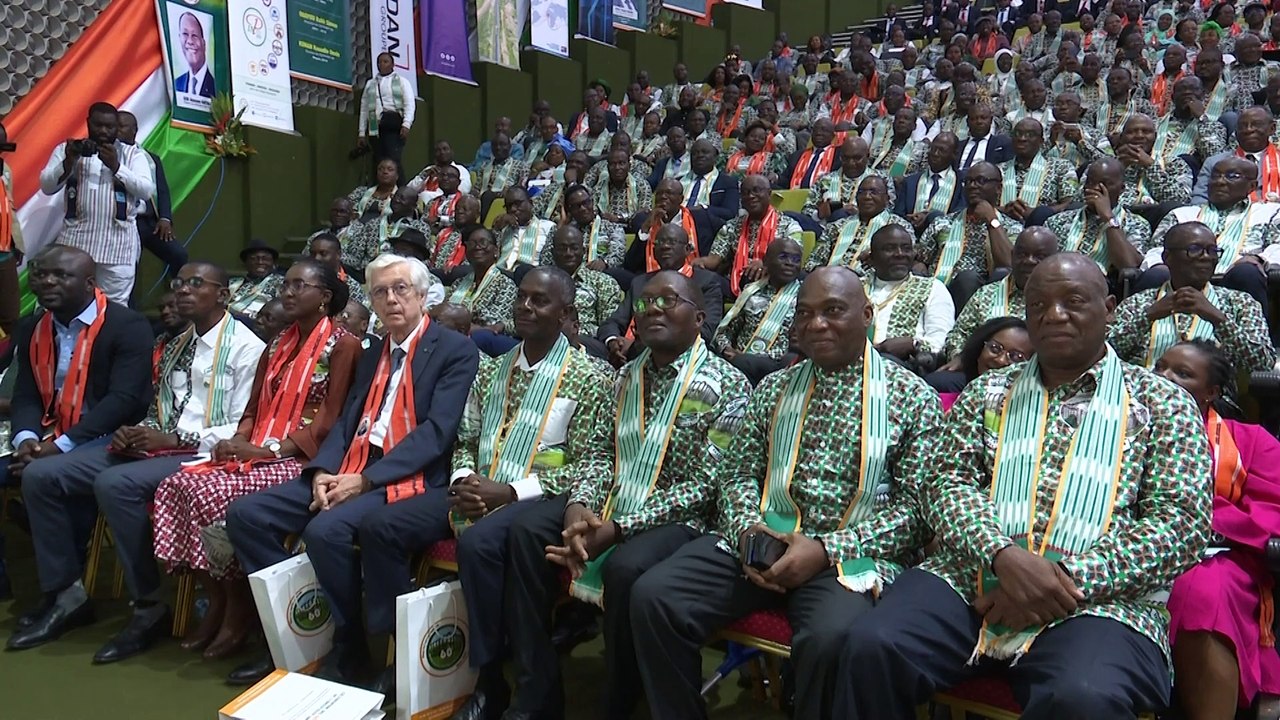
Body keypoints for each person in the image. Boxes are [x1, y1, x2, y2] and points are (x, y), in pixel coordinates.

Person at [837, 252, 1213, 719]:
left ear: (1110, 308)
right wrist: (1004, 558)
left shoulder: (1164, 403)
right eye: (1038, 305)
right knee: (871, 646)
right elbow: (945, 484)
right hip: (971, 573)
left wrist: (1063, 582)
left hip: (1103, 599)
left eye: (1073, 300)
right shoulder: (987, 391)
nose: (1053, 314)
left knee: (1083, 696)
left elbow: (1181, 524)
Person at [633, 265, 940, 719]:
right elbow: (736, 476)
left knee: (832, 640)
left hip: (847, 553)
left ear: (867, 313)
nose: (816, 324)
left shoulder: (912, 396)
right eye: (805, 314)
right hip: (762, 541)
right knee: (654, 596)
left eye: (833, 310)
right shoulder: (774, 388)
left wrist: (824, 549)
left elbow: (917, 511)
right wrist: (747, 532)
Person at [505, 270, 750, 720]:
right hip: (614, 500)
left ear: (699, 318)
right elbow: (601, 450)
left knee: (627, 567)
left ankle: (621, 698)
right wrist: (579, 503)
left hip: (683, 515)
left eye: (667, 301)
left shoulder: (728, 385)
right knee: (525, 531)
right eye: (643, 303)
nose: (651, 309)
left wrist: (618, 528)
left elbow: (707, 485)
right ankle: (536, 689)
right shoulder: (626, 377)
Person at [224, 253, 478, 687]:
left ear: (422, 295)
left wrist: (365, 481)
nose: (391, 299)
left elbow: (436, 433)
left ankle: (349, 640)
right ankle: (305, 626)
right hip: (350, 465)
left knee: (326, 531)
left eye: (401, 289)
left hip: (406, 476)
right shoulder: (373, 350)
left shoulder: (454, 350)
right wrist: (323, 471)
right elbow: (346, 421)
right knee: (246, 515)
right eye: (380, 292)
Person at [9, 260, 264, 661]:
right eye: (180, 283)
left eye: (196, 284)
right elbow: (157, 405)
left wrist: (173, 437)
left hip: (203, 454)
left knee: (116, 485)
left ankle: (149, 606)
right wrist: (136, 430)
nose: (182, 290)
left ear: (223, 294)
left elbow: (244, 425)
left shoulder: (248, 347)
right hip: (157, 445)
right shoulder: (177, 343)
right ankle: (66, 595)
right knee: (42, 475)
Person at [410, 267, 613, 709]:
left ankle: (490, 679)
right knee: (393, 523)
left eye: (539, 301)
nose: (525, 307)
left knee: (481, 545)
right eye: (521, 297)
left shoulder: (592, 377)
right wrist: (465, 479)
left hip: (543, 496)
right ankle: (481, 674)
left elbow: (593, 462)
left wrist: (510, 492)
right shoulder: (492, 371)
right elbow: (465, 438)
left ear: (566, 314)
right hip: (482, 489)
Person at [152, 260, 359, 665]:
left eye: (301, 286)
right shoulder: (278, 342)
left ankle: (241, 605)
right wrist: (239, 439)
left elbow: (331, 421)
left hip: (298, 457)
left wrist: (269, 451)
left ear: (325, 298)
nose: (288, 291)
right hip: (259, 448)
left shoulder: (344, 344)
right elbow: (253, 408)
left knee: (214, 493)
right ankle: (219, 597)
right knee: (176, 484)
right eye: (286, 284)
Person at [4, 245, 152, 633]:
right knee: (28, 468)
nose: (46, 282)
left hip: (110, 434)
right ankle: (31, 583)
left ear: (89, 283)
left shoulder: (127, 325)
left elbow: (123, 401)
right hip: (49, 433)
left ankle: (64, 594)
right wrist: (25, 439)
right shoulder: (33, 326)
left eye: (60, 275)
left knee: (42, 475)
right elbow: (26, 395)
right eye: (40, 274)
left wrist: (58, 446)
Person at [1158, 340, 1280, 720]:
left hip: (1219, 557)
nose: (1164, 378)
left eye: (1182, 374)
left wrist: (1195, 516)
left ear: (1211, 392)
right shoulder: (1121, 429)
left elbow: (1271, 511)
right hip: (1135, 551)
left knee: (1200, 589)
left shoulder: (1250, 440)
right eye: (1160, 367)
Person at [1109, 221, 1275, 374]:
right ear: (1167, 257)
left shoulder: (1241, 302)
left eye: (1212, 251)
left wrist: (1217, 318)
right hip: (1142, 395)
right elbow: (1105, 352)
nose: (1206, 257)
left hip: (1211, 400)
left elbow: (1263, 363)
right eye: (1195, 249)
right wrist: (1148, 317)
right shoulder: (1138, 303)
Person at [38, 102, 155, 304]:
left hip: (117, 247)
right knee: (66, 302)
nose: (103, 131)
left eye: (109, 127)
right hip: (75, 243)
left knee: (113, 309)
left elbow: (146, 191)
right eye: (97, 125)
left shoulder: (133, 154)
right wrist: (68, 163)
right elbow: (47, 186)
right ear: (88, 123)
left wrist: (117, 167)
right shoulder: (68, 149)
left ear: (117, 127)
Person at [1145, 155, 1280, 311]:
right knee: (1155, 275)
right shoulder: (1182, 214)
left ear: (1252, 186)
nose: (1220, 181)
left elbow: (1277, 246)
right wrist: (1159, 266)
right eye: (1215, 176)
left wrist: (1258, 258)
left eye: (1232, 176)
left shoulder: (1270, 213)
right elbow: (1155, 250)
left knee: (1247, 272)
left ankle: (1254, 332)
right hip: (1182, 280)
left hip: (1238, 278)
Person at [601, 224, 724, 367]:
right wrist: (614, 342)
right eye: (659, 242)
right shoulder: (640, 282)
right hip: (623, 353)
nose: (665, 246)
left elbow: (705, 331)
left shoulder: (705, 281)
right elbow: (613, 322)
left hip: (676, 355)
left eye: (672, 242)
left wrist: (639, 344)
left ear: (687, 249)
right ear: (653, 251)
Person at [942, 227, 1058, 364]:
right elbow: (959, 334)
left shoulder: (1059, 305)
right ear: (1012, 255)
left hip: (1031, 378)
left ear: (1054, 261)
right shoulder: (986, 294)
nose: (1029, 261)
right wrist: (961, 357)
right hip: (979, 372)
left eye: (1039, 256)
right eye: (1022, 254)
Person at [919, 162, 1021, 311]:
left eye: (981, 181)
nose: (973, 186)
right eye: (968, 181)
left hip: (982, 301)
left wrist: (992, 221)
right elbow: (920, 259)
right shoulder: (943, 223)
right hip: (937, 292)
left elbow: (1009, 265)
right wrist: (920, 267)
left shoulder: (1011, 228)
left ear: (998, 188)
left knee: (968, 279)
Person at [712, 236, 803, 385]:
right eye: (783, 257)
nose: (790, 263)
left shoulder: (805, 296)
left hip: (776, 369)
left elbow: (797, 348)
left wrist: (749, 360)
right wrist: (726, 349)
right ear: (766, 261)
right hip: (736, 363)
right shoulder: (751, 291)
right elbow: (727, 330)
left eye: (796, 259)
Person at [864, 225, 956, 362]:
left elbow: (941, 341)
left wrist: (914, 345)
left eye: (906, 248)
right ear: (871, 258)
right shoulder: (854, 288)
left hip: (902, 366)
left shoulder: (932, 287)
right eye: (889, 249)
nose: (900, 254)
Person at [702, 175, 802, 298]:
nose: (750, 196)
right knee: (704, 278)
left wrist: (766, 264)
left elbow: (792, 259)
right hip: (736, 282)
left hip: (770, 281)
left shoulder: (789, 225)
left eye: (756, 190)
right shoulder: (731, 226)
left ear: (769, 193)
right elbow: (714, 259)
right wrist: (700, 263)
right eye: (745, 193)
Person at [1044, 157, 1149, 272]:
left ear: (1121, 189)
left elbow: (1129, 265)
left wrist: (1108, 219)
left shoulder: (1136, 224)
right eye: (1090, 182)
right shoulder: (1058, 221)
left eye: (1104, 184)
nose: (1095, 188)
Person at [117, 111, 185, 284]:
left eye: (121, 126)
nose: (116, 131)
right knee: (129, 269)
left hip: (150, 222)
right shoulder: (110, 158)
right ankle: (129, 310)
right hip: (124, 221)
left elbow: (162, 190)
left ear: (134, 130)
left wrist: (165, 218)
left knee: (178, 254)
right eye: (114, 127)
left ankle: (177, 298)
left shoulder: (149, 158)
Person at [806, 175, 913, 273]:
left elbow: (906, 258)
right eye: (862, 192)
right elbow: (813, 261)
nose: (867, 196)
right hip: (830, 280)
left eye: (874, 192)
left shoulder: (900, 227)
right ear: (856, 198)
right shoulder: (837, 226)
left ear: (886, 199)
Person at [549, 225, 622, 353]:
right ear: (553, 252)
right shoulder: (541, 282)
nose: (568, 253)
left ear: (583, 251)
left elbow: (607, 327)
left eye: (574, 248)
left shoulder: (603, 282)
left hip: (587, 344)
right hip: (543, 339)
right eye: (562, 248)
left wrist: (571, 331)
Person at [448, 228, 520, 357]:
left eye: (483, 242)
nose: (477, 247)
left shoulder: (505, 284)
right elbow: (442, 312)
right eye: (472, 243)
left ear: (495, 251)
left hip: (486, 344)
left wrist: (451, 321)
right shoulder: (458, 283)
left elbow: (492, 324)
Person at [997, 118, 1081, 226]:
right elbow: (983, 206)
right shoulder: (998, 170)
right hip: (1001, 229)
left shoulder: (1061, 167)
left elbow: (1070, 204)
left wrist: (1038, 214)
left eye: (1030, 135)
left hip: (1044, 231)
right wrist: (1004, 210)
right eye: (1018, 134)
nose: (1022, 138)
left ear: (1041, 141)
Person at [940, 317, 1032, 410]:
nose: (1000, 360)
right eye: (995, 348)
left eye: (1016, 356)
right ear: (979, 349)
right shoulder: (941, 405)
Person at [804, 138, 896, 224]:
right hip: (827, 228)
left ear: (867, 156)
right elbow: (806, 212)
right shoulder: (824, 180)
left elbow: (890, 208)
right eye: (846, 158)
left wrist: (861, 212)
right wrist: (819, 214)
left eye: (857, 158)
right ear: (840, 158)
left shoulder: (882, 179)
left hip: (867, 227)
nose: (851, 163)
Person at [358, 52, 415, 179]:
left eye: (385, 61)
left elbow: (409, 104)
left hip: (393, 124)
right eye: (379, 62)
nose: (381, 64)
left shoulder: (402, 81)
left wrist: (406, 124)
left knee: (393, 160)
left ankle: (400, 191)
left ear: (392, 64)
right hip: (375, 126)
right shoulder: (370, 84)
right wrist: (361, 133)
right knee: (378, 161)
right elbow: (364, 109)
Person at [896, 132, 965, 231]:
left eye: (942, 150)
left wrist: (930, 217)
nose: (935, 154)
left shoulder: (961, 182)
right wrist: (910, 220)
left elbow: (959, 217)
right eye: (933, 148)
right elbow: (898, 215)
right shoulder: (910, 181)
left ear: (954, 154)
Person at [0, 122, 23, 336]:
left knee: (10, 314)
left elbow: (9, 207)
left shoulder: (5, 170)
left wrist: (17, 242)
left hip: (4, 253)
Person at [309, 233, 369, 308]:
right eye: (312, 254)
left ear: (338, 254)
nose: (316, 258)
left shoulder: (352, 287)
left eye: (323, 254)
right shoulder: (304, 281)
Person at [227, 239, 283, 319]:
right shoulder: (233, 283)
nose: (260, 262)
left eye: (265, 259)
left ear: (273, 263)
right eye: (254, 259)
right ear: (245, 263)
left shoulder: (280, 283)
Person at [407, 140, 473, 205]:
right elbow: (409, 190)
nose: (442, 152)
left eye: (445, 149)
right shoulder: (429, 169)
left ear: (451, 152)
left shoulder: (460, 169)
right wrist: (424, 175)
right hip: (422, 204)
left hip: (449, 203)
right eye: (438, 150)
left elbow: (464, 190)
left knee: (425, 195)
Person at [781, 119, 839, 190]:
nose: (819, 133)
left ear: (833, 136)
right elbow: (785, 181)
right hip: (795, 196)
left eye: (824, 130)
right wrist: (776, 177)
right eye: (815, 130)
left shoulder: (838, 155)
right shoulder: (797, 156)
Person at [174, 12, 215, 98]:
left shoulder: (216, 88)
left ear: (203, 43)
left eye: (194, 35)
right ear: (179, 37)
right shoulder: (176, 85)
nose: (190, 41)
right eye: (185, 34)